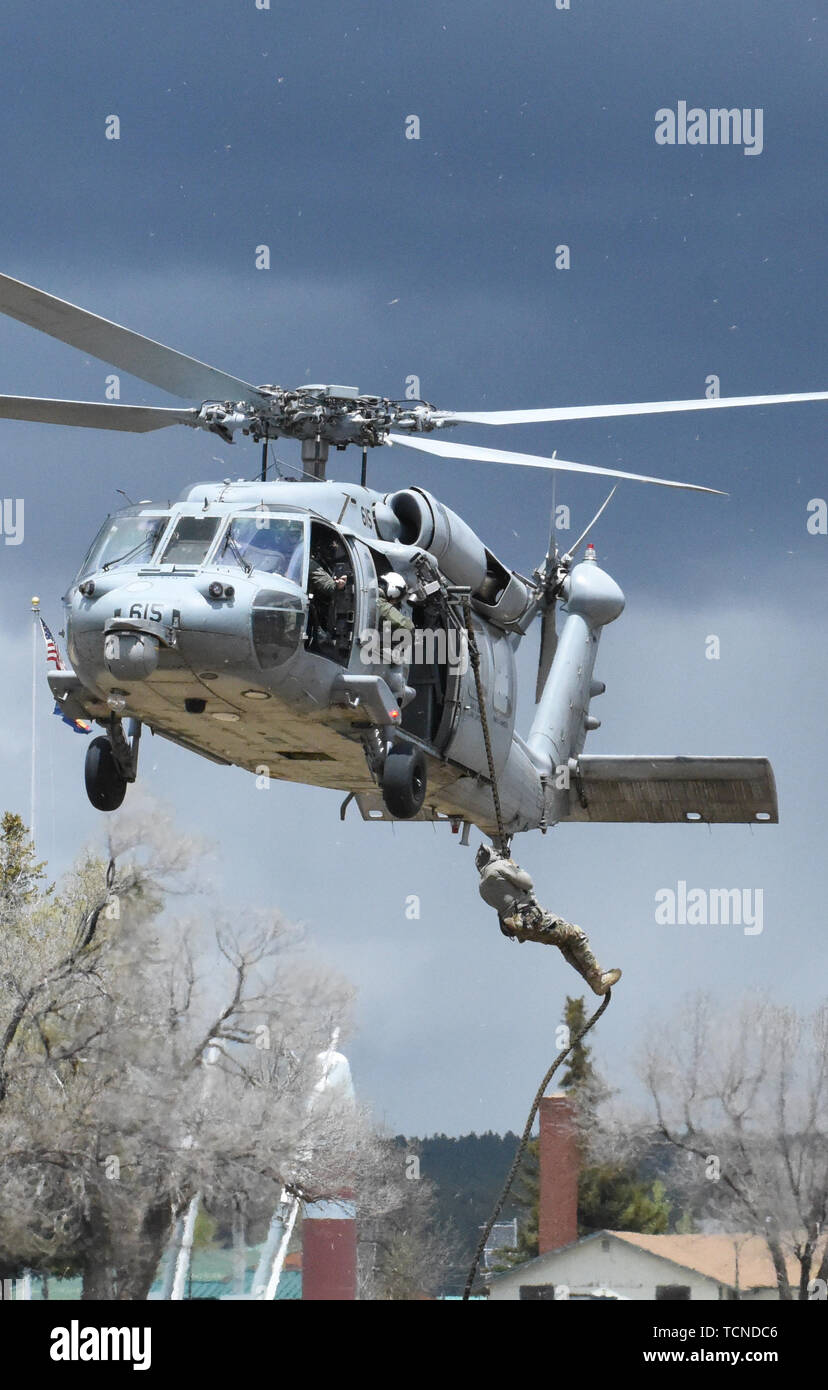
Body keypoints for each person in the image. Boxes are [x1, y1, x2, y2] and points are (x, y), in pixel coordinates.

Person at [475, 844, 622, 996]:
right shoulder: (498, 866)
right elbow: (527, 882)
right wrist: (513, 865)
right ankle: (598, 979)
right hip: (531, 918)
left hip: (521, 928)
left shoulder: (482, 886)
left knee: (564, 943)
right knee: (576, 934)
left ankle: (594, 981)